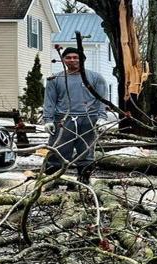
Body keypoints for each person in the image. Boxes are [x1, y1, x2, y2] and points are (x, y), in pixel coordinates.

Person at [42, 47, 110, 181]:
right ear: (63, 60)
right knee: (58, 151)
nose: (72, 60)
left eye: (75, 57)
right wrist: (48, 120)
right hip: (63, 121)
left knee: (86, 151)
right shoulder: (55, 79)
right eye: (68, 57)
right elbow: (49, 101)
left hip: (88, 120)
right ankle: (52, 181)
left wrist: (102, 118)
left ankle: (83, 181)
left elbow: (102, 100)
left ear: (82, 59)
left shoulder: (95, 78)